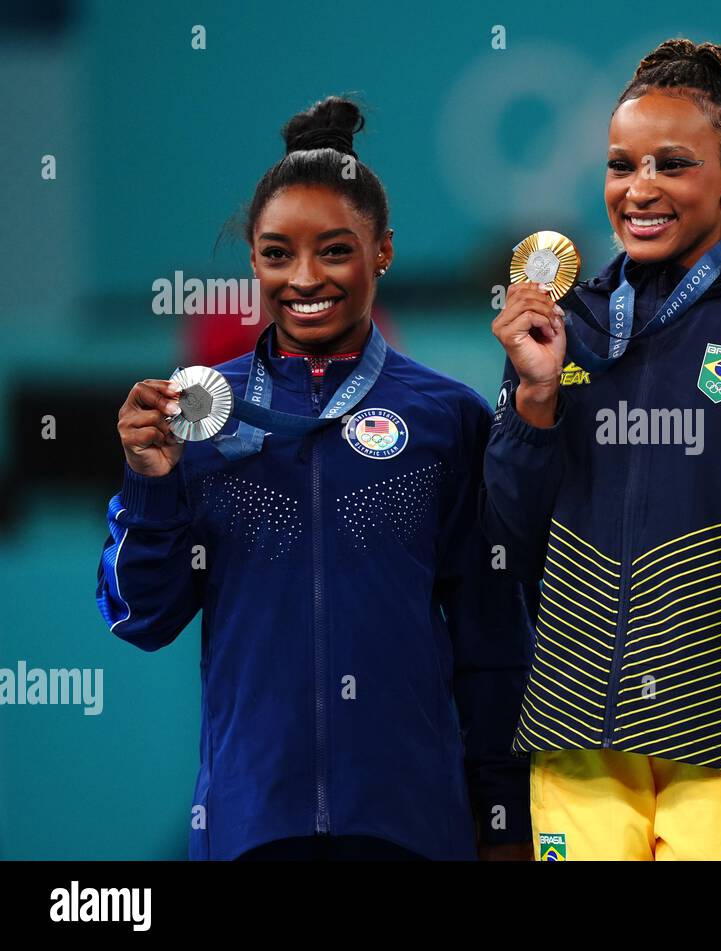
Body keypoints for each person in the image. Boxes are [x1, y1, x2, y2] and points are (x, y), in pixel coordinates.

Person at [96, 96, 532, 861]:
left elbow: (491, 642)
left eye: (334, 250)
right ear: (254, 259)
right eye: (275, 254)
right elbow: (142, 616)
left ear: (384, 251)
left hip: (411, 829)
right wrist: (149, 482)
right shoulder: (199, 414)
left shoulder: (447, 419)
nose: (304, 279)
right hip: (249, 826)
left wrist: (503, 818)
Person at [483, 39, 721, 860]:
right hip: (577, 733)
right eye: (621, 165)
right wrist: (535, 401)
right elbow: (506, 543)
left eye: (672, 163)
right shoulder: (564, 325)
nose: (640, 187)